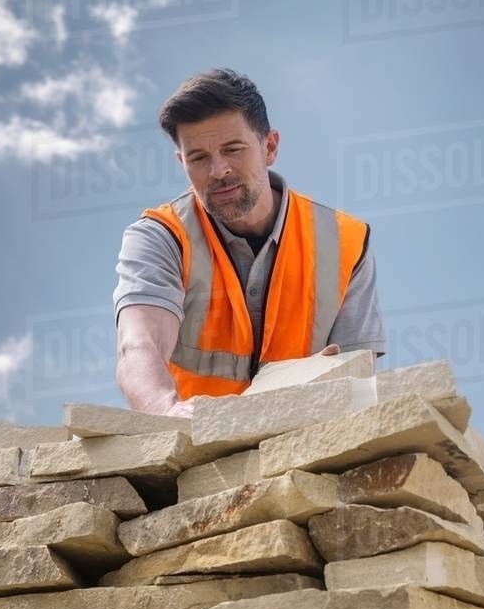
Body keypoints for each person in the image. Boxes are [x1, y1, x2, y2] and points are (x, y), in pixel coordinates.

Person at [112, 69, 386, 417]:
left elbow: (357, 384)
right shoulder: (161, 236)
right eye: (198, 157)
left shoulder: (346, 241)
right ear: (182, 162)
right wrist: (168, 413)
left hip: (303, 450)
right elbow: (138, 348)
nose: (218, 170)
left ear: (269, 147)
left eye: (233, 149)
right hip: (192, 451)